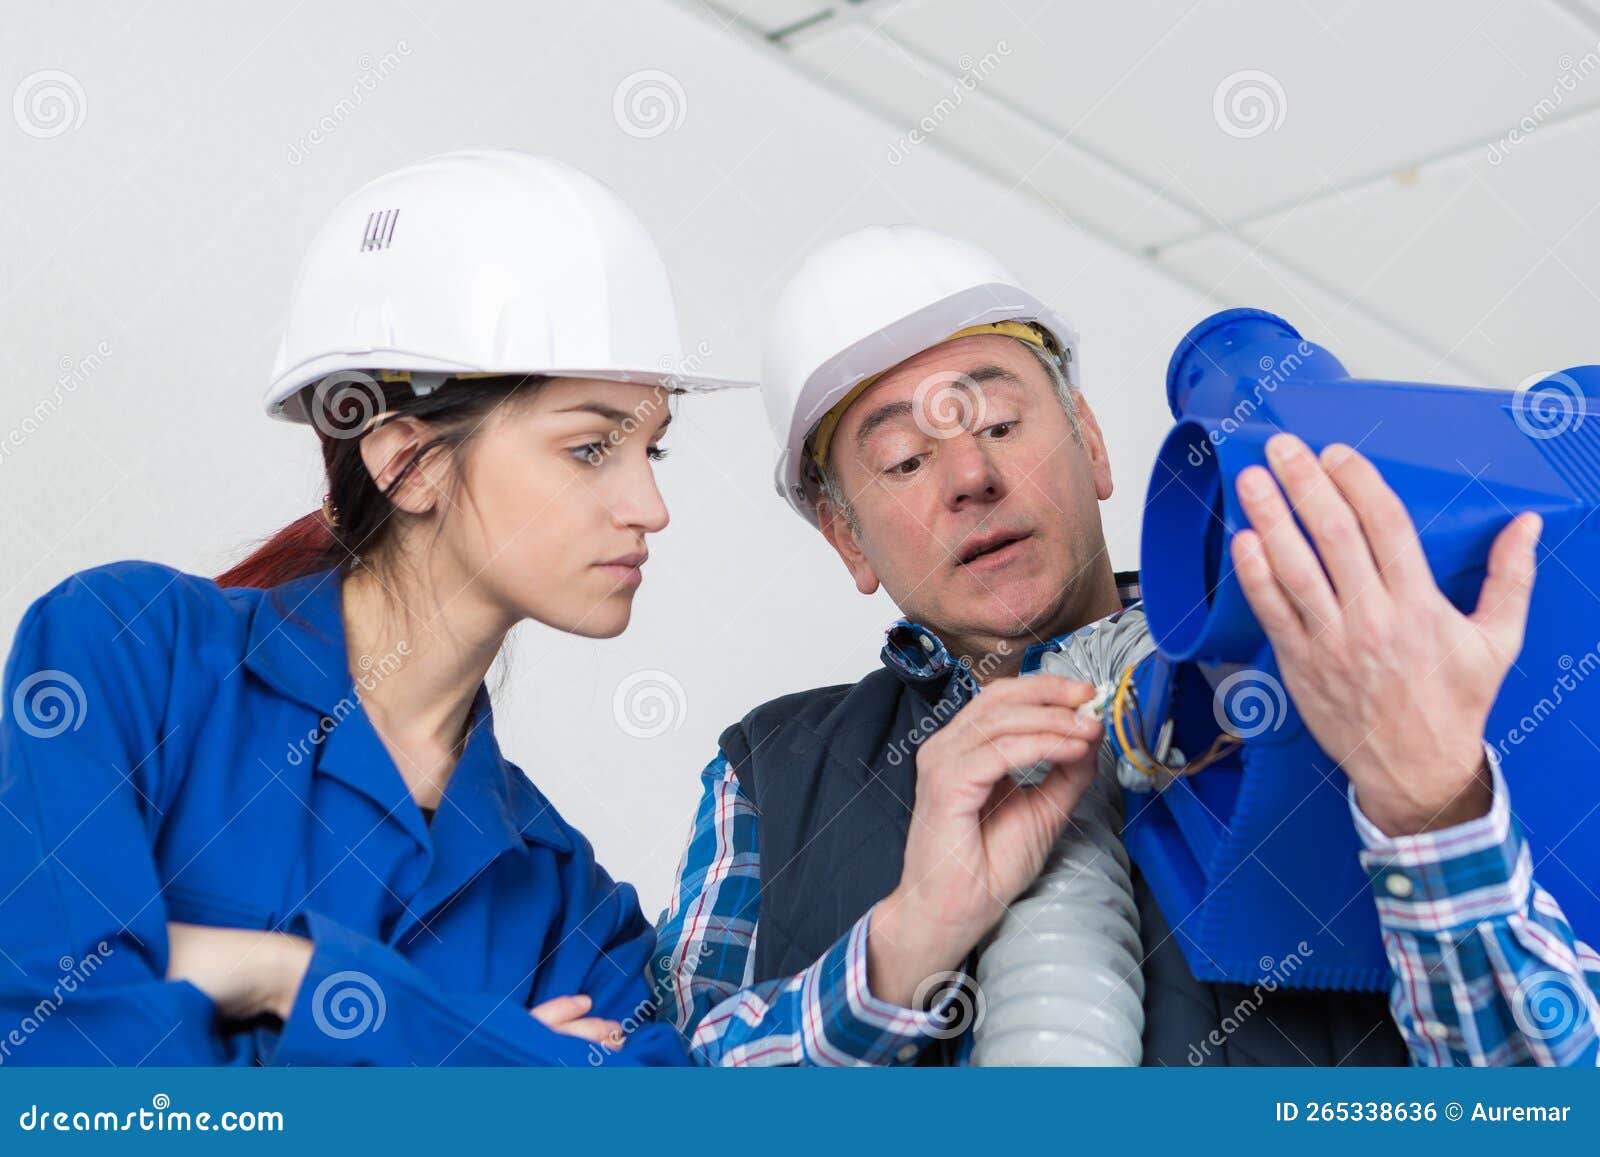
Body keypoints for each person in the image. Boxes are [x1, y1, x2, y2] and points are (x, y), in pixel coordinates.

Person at [652, 224, 1600, 1066]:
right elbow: (658, 1104)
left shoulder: (1362, 661)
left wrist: (1432, 808)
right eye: (904, 461)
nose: (972, 475)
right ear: (847, 538)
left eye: (1003, 422)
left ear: (1093, 443)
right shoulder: (770, 774)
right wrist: (905, 944)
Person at [0, 150, 751, 1066]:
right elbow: (67, 1074)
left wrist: (283, 979)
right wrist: (479, 1052)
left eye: (652, 451)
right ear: (408, 461)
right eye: (591, 448)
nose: (649, 507)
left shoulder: (566, 903)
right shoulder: (122, 655)